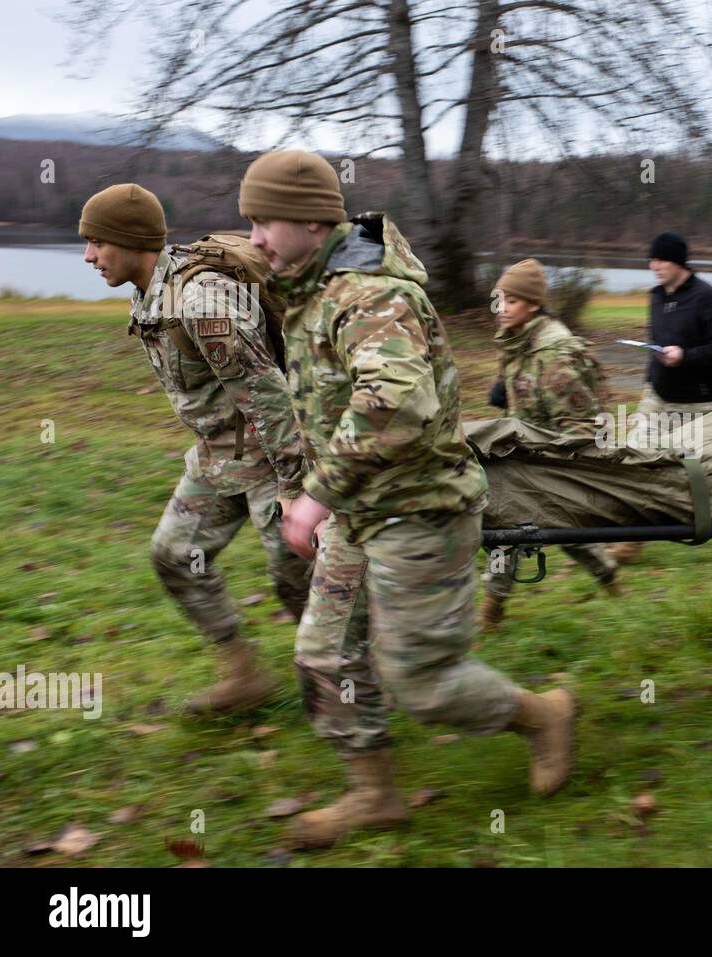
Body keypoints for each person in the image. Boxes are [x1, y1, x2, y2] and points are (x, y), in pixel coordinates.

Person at [238, 150, 576, 848]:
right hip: (360, 515)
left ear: (308, 219)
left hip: (420, 513)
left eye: (262, 221)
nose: (254, 239)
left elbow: (395, 402)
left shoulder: (369, 295)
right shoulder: (307, 284)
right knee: (324, 654)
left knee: (422, 681)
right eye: (249, 223)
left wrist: (317, 493)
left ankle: (542, 714)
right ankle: (375, 793)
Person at [80, 183, 309, 714]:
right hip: (218, 454)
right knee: (176, 556)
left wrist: (298, 489)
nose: (89, 256)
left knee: (299, 582)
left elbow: (269, 397)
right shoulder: (150, 289)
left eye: (97, 242)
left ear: (133, 241)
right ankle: (244, 675)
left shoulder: (202, 302)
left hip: (272, 454)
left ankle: (358, 680)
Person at [480, 258, 623, 630]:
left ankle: (491, 612)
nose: (502, 308)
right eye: (499, 299)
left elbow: (582, 427)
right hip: (528, 459)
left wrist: (538, 457)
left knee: (511, 530)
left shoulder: (553, 352)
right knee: (554, 532)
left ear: (532, 304)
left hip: (556, 463)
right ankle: (610, 578)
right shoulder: (519, 342)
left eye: (511, 300)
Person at [606, 231, 712, 562]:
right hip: (657, 399)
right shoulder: (655, 297)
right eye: (651, 260)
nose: (654, 266)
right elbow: (657, 343)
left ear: (678, 262)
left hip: (701, 403)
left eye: (660, 260)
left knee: (710, 475)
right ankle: (632, 541)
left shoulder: (708, 298)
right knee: (636, 461)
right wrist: (651, 381)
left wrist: (685, 356)